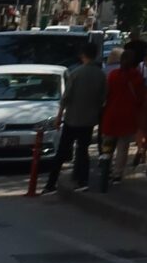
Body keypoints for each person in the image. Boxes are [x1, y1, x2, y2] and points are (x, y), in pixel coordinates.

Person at [45, 40, 106, 191]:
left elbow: (66, 97)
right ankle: (82, 181)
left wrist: (59, 117)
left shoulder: (76, 73)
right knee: (83, 150)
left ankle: (51, 184)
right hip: (89, 119)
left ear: (83, 55)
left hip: (72, 118)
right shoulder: (101, 75)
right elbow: (103, 97)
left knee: (62, 152)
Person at [100, 40, 145, 179]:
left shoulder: (113, 75)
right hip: (128, 115)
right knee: (123, 147)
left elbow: (105, 94)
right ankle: (118, 172)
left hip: (112, 113)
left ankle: (105, 167)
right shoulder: (137, 77)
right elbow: (140, 97)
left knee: (108, 143)